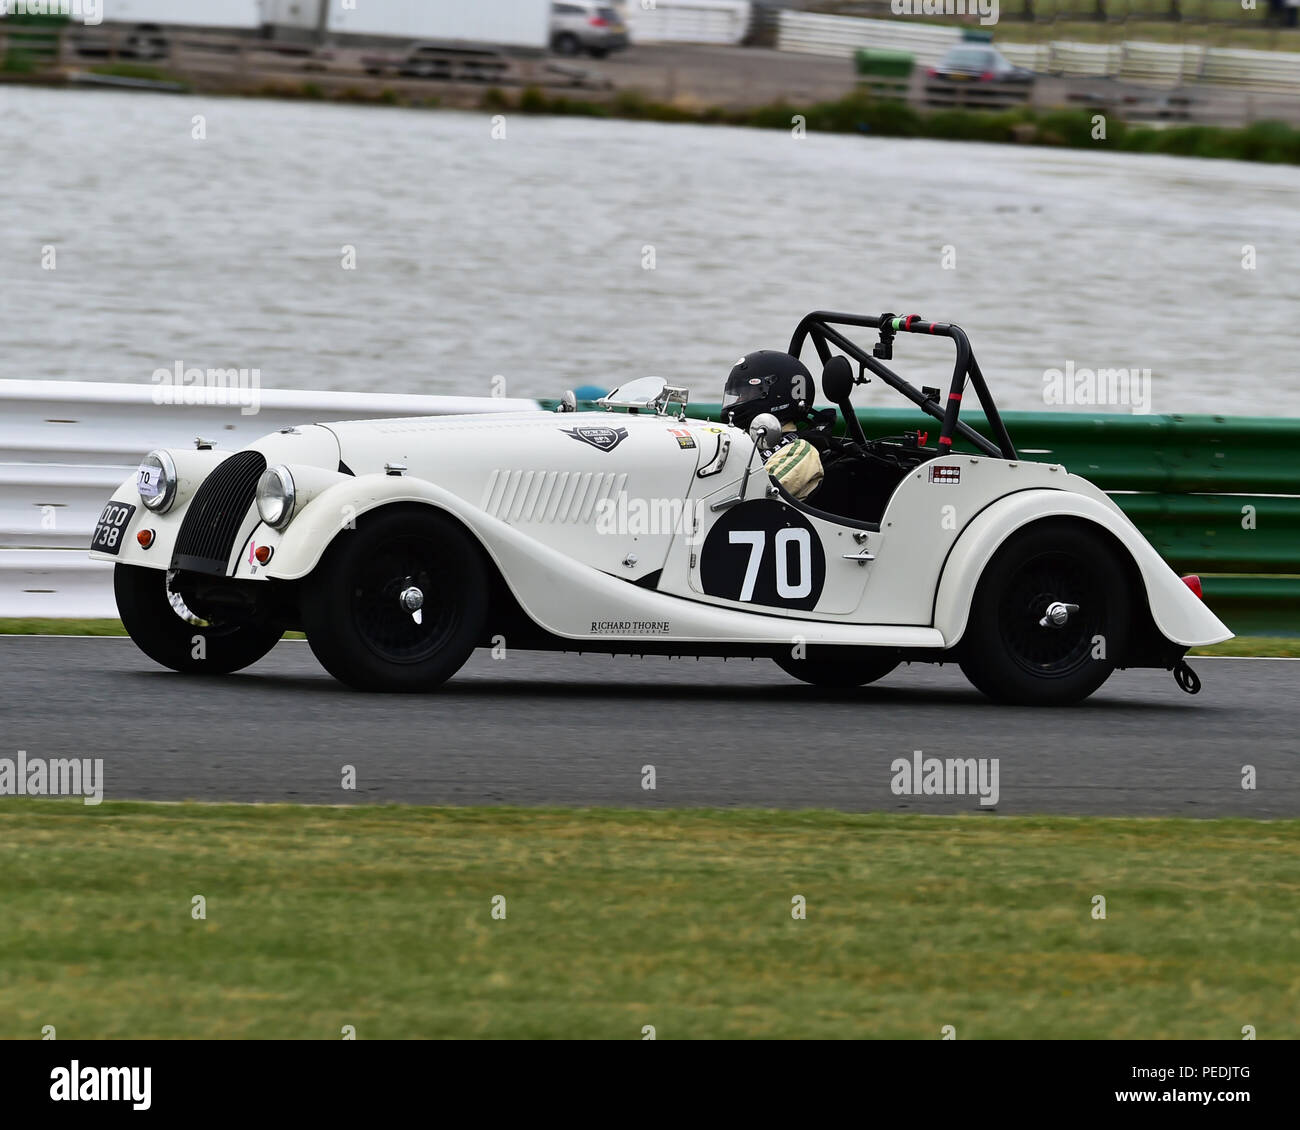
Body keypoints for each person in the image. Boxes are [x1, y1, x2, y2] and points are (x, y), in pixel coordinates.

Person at [720, 350, 837, 501]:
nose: (738, 401)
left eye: (747, 393)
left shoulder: (799, 451)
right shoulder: (746, 442)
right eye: (738, 395)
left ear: (777, 395)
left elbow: (752, 497)